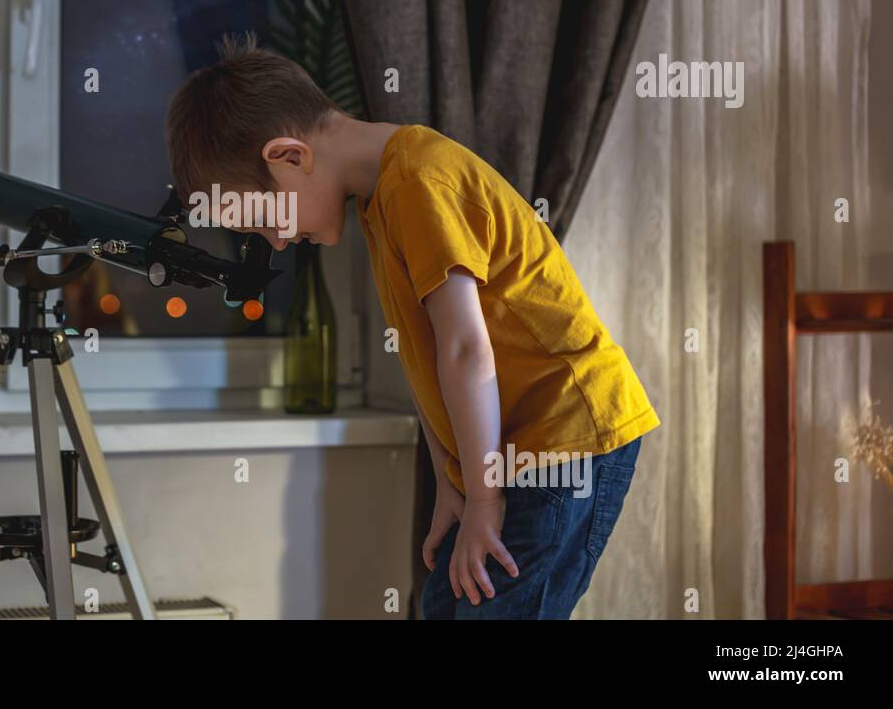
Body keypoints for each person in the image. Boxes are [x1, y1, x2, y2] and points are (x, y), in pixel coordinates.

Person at [164, 32, 660, 619]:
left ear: (289, 157)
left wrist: (483, 495)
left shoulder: (418, 182)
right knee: (446, 604)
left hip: (567, 436)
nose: (273, 241)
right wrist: (454, 483)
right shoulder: (380, 199)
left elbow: (466, 349)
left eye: (259, 220)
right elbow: (427, 359)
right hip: (509, 450)